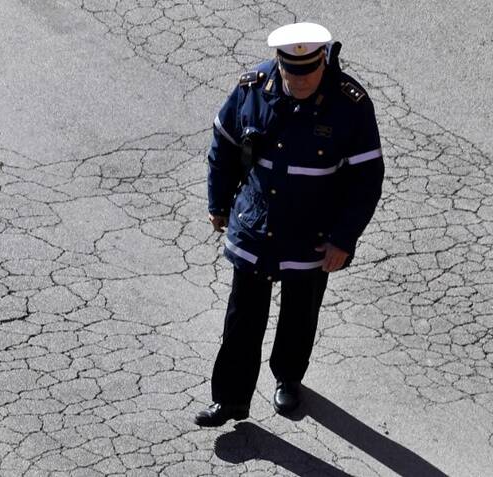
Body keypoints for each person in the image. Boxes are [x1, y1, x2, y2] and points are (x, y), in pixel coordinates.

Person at [195, 22, 385, 427]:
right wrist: (218, 202)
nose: (299, 81)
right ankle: (229, 400)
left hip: (311, 235)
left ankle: (287, 378)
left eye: (308, 72)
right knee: (241, 317)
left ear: (323, 62)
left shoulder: (349, 105)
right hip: (256, 226)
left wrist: (342, 239)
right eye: (290, 72)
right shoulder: (253, 88)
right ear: (278, 64)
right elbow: (223, 146)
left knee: (300, 315)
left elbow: (367, 180)